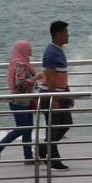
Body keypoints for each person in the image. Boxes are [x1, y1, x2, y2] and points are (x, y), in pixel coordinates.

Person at [0, 39, 39, 165]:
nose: (30, 50)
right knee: (22, 128)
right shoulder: (19, 64)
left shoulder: (24, 63)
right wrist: (35, 78)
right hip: (18, 102)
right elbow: (20, 84)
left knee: (28, 129)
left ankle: (28, 157)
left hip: (26, 101)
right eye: (28, 47)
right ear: (22, 49)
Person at [38, 20, 74, 170]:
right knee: (53, 127)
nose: (68, 35)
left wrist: (68, 93)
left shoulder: (59, 50)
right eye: (65, 32)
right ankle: (53, 159)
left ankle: (43, 149)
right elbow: (51, 78)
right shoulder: (51, 52)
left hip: (60, 95)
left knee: (66, 123)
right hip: (51, 96)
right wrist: (54, 99)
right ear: (58, 34)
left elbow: (61, 75)